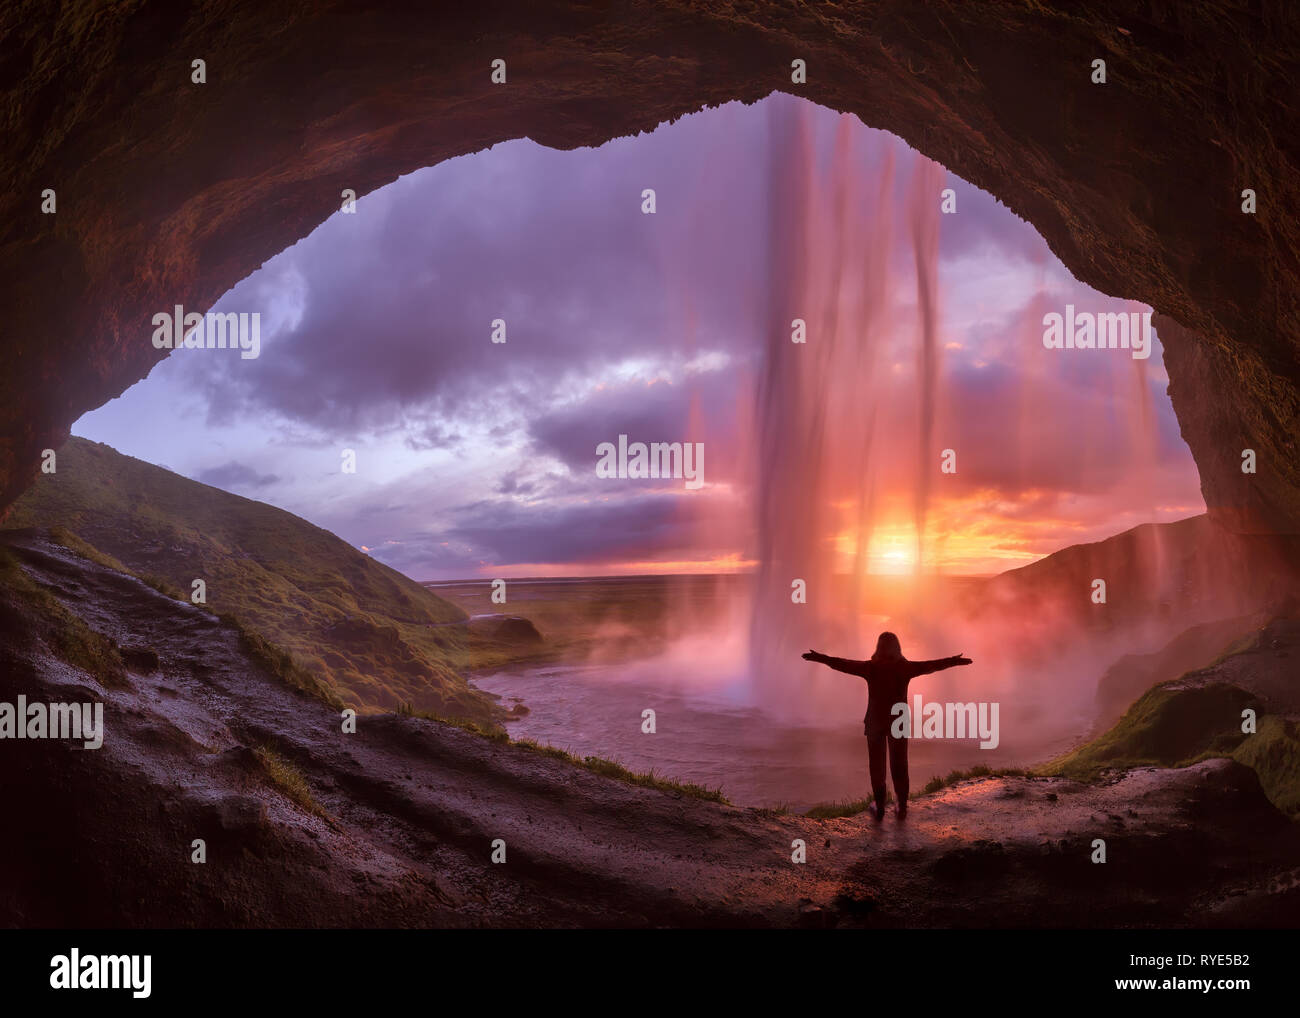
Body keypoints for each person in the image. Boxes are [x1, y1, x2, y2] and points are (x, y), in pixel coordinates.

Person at [803, 633, 971, 821]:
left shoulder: (871, 667)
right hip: (898, 722)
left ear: (878, 647)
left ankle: (880, 806)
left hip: (875, 722)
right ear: (897, 648)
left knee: (877, 767)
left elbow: (842, 664)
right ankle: (901, 807)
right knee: (900, 766)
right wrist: (954, 661)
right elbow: (930, 666)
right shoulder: (904, 667)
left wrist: (820, 658)